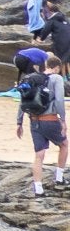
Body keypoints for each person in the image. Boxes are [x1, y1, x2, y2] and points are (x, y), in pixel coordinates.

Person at [20, 56, 69, 198]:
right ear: (58, 68)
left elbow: (23, 100)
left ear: (45, 65)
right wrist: (63, 120)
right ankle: (59, 177)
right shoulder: (56, 78)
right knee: (64, 144)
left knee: (39, 155)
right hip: (50, 120)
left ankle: (38, 189)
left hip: (34, 120)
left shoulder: (32, 78)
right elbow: (59, 100)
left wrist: (19, 122)